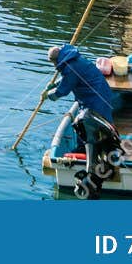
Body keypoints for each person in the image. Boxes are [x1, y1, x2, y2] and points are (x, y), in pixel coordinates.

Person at [48, 44, 122, 196]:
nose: (54, 66)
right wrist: (54, 84)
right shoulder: (74, 60)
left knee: (90, 125)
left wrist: (49, 94)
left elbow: (63, 90)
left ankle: (90, 151)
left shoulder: (70, 68)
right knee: (90, 124)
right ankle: (88, 150)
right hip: (98, 96)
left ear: (56, 60)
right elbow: (67, 79)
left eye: (53, 63)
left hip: (94, 101)